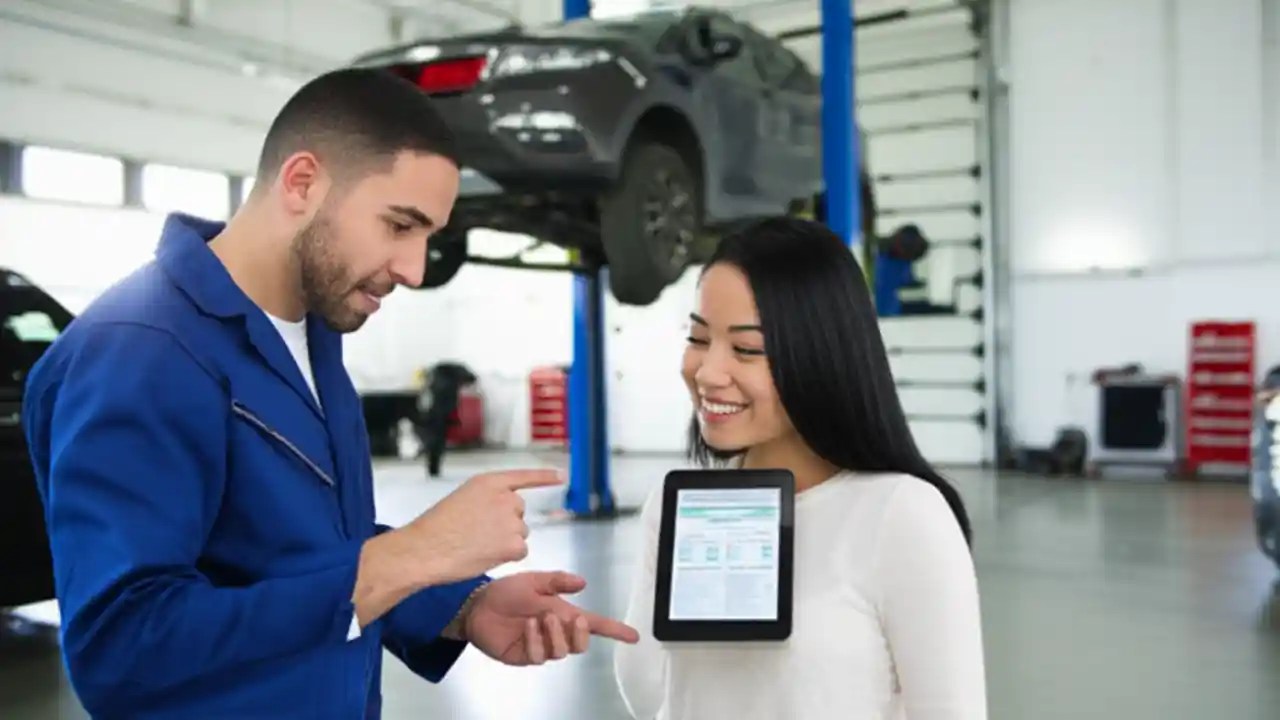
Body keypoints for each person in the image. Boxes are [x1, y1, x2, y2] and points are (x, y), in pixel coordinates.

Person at [22, 67, 637, 719]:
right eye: (400, 225)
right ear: (303, 183)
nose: (415, 269)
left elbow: (308, 547)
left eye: (429, 236)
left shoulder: (311, 335)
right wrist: (413, 554)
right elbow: (122, 650)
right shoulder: (141, 351)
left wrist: (459, 605)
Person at [613, 217, 987, 719]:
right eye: (699, 338)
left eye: (746, 349)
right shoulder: (676, 506)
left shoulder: (903, 514)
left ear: (819, 356)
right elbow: (655, 698)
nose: (707, 372)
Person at [416, 361, 479, 477]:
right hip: (443, 412)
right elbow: (471, 379)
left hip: (433, 412)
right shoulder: (450, 378)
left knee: (434, 439)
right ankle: (434, 467)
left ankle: (433, 467)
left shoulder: (435, 378)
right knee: (438, 440)